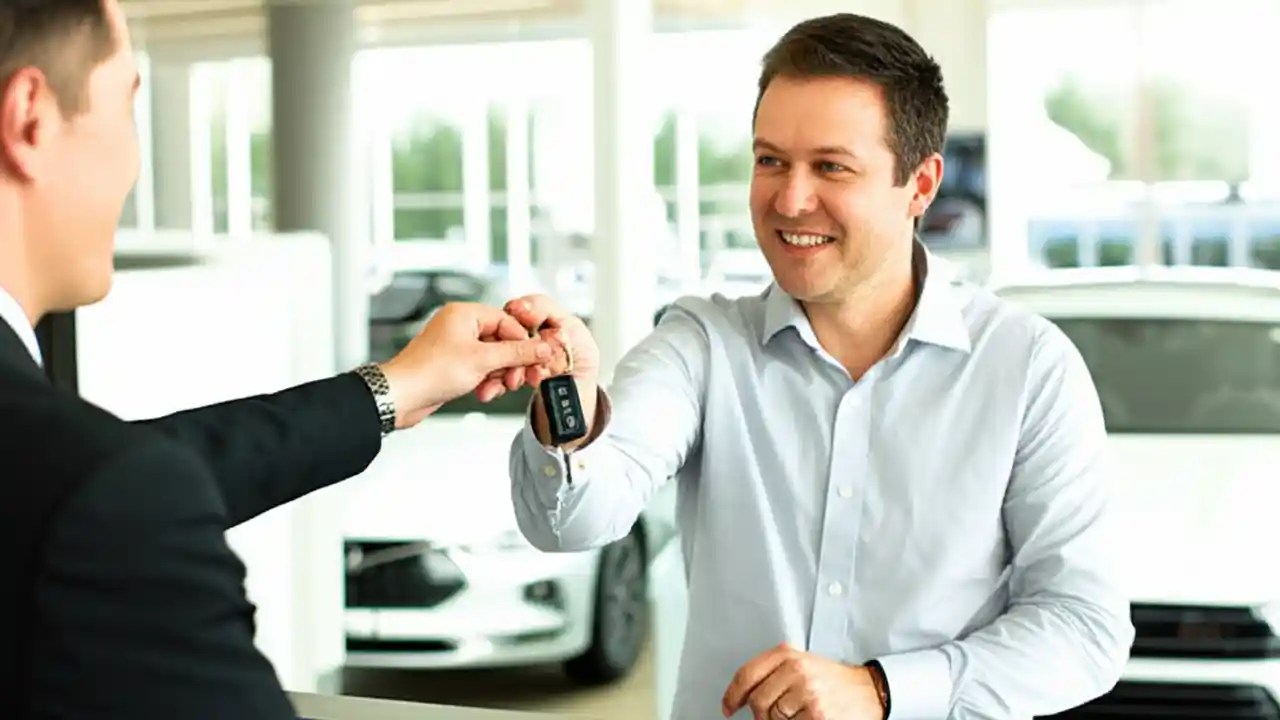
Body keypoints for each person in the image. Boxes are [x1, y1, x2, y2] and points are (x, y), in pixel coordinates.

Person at [503, 13, 1134, 720]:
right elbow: (572, 522)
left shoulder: (1025, 368)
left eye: (830, 166)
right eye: (770, 159)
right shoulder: (702, 344)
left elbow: (1085, 628)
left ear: (920, 185)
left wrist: (882, 689)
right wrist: (568, 403)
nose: (789, 198)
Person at [0, 1, 549, 718]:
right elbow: (97, 495)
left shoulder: (76, 482)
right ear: (31, 118)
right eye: (129, 104)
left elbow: (89, 478)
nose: (133, 165)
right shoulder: (101, 502)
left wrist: (390, 389)